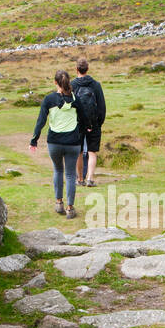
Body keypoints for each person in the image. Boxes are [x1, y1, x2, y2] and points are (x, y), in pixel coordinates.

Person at [29, 70, 84, 218]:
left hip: (54, 142)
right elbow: (84, 119)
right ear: (69, 83)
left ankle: (59, 203)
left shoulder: (48, 99)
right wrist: (86, 129)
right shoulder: (76, 100)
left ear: (55, 82)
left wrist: (34, 140)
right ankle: (70, 208)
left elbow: (41, 121)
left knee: (58, 171)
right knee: (71, 174)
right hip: (73, 143)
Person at [70, 58, 106, 187]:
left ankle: (80, 179)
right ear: (87, 69)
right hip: (94, 123)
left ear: (77, 69)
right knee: (92, 152)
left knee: (78, 152)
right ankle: (90, 179)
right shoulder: (96, 85)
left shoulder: (72, 85)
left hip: (77, 124)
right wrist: (99, 122)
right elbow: (101, 106)